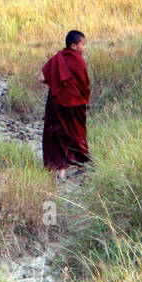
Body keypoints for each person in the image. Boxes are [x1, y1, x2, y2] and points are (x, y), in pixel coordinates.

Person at [41, 29, 91, 179]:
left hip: (57, 104)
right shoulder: (78, 60)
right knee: (77, 133)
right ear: (74, 46)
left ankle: (61, 171)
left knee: (58, 134)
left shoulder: (58, 58)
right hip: (75, 104)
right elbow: (84, 84)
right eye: (83, 44)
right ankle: (82, 165)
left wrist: (55, 84)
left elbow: (41, 77)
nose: (84, 48)